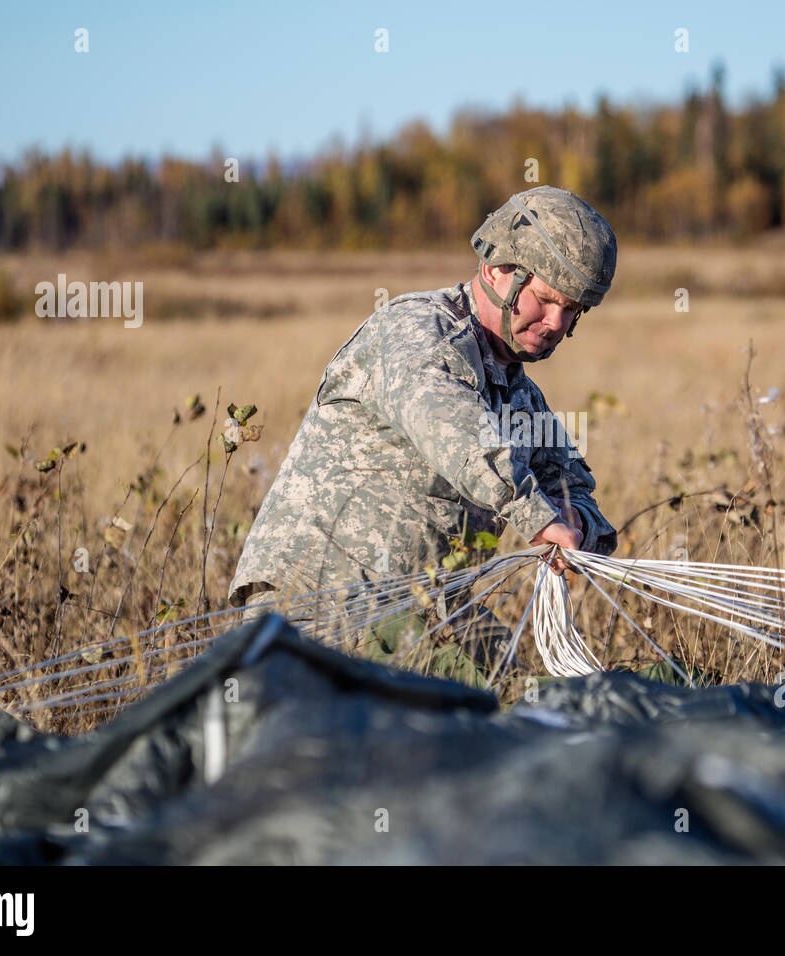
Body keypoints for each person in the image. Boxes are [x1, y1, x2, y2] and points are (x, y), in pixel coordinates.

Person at [229, 186, 619, 678]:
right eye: (544, 300)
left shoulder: (520, 396)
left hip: (420, 613)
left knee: (528, 701)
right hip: (318, 606)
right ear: (498, 269)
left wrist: (576, 520)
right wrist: (535, 515)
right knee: (498, 718)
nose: (555, 324)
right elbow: (457, 431)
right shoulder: (416, 332)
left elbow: (574, 487)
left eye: (573, 311)